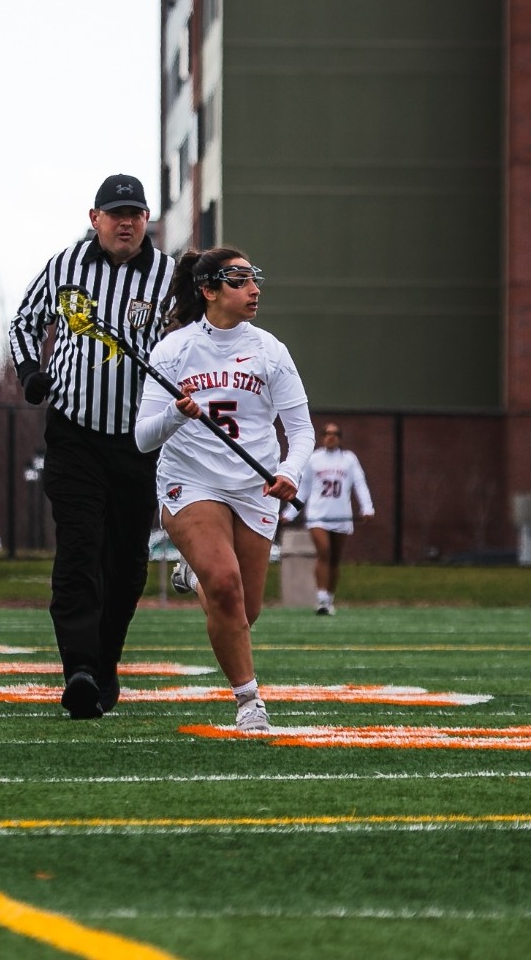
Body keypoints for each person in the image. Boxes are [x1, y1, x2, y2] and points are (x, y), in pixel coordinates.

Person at [7, 174, 175, 718]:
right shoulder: (65, 267)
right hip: (75, 433)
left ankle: (104, 664)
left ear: (147, 219)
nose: (126, 222)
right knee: (80, 549)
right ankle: (78, 668)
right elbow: (23, 323)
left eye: (136, 213)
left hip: (140, 442)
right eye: (115, 213)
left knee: (126, 565)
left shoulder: (170, 277)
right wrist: (32, 371)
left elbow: (197, 338)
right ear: (94, 217)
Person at [135, 247, 313, 732]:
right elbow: (143, 435)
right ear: (209, 290)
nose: (253, 289)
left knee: (243, 611)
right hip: (189, 481)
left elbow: (301, 429)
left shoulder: (270, 350)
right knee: (226, 585)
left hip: (253, 487)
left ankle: (192, 576)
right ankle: (249, 702)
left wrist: (291, 472)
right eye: (238, 280)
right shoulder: (174, 349)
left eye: (254, 278)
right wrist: (177, 413)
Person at [298, 423, 375, 615]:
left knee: (334, 559)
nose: (330, 437)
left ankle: (329, 599)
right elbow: (304, 488)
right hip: (317, 515)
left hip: (341, 514)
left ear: (340, 437)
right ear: (322, 437)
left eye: (334, 434)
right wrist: (289, 512)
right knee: (324, 552)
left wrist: (367, 507)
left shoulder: (349, 459)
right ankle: (321, 598)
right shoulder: (314, 459)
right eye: (326, 434)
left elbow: (359, 483)